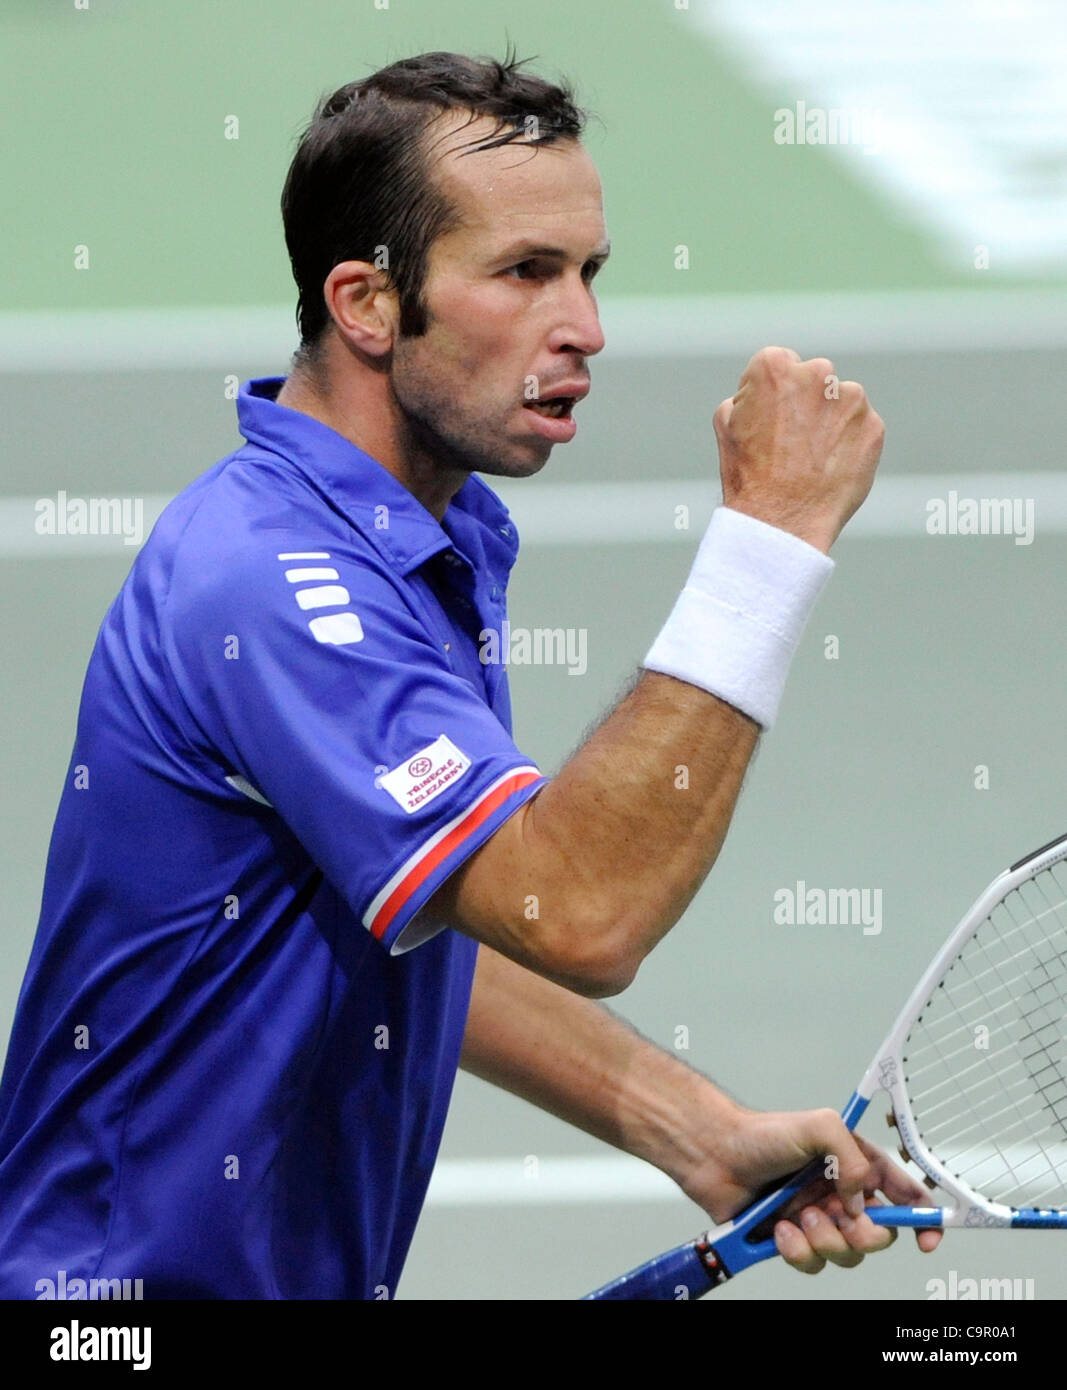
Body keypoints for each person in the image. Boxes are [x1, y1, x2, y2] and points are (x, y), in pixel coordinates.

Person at [0, 48, 940, 1301]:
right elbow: (582, 910)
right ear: (366, 303)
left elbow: (418, 902)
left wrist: (687, 1123)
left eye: (588, 274)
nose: (585, 330)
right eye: (524, 274)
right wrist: (767, 543)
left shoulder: (415, 534)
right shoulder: (275, 583)